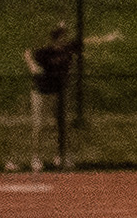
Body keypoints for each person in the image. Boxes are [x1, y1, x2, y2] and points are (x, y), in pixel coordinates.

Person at [24, 23, 121, 172]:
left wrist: (108, 38)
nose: (64, 39)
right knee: (39, 125)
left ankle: (61, 155)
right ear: (55, 39)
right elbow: (28, 53)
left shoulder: (68, 47)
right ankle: (35, 157)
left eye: (65, 36)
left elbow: (87, 41)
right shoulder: (45, 52)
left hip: (58, 91)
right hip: (41, 92)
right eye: (61, 37)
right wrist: (32, 66)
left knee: (61, 125)